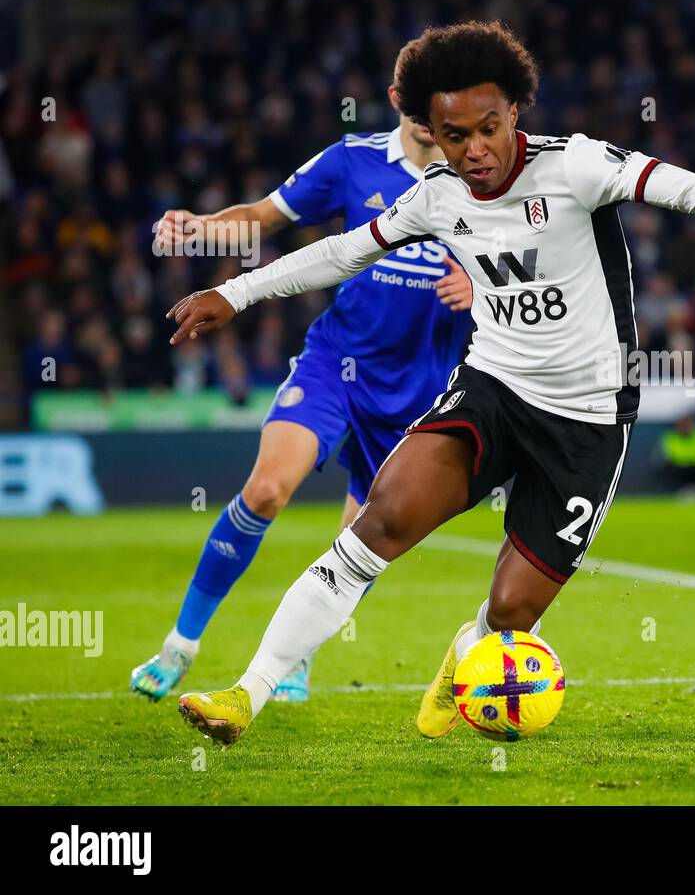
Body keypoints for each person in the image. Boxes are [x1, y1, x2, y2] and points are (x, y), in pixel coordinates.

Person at [162, 20, 695, 745]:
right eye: (453, 135)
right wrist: (237, 293)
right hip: (493, 388)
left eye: (488, 127)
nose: (474, 149)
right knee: (376, 523)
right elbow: (341, 253)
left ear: (516, 112)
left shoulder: (574, 167)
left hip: (589, 417)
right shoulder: (436, 195)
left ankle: (465, 658)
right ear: (428, 131)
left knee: (511, 617)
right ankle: (246, 694)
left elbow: (676, 184)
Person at [129, 62, 474, 704]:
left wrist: (482, 286)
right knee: (264, 490)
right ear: (399, 97)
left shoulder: (480, 177)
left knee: (361, 540)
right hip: (336, 363)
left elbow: (536, 263)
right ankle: (180, 646)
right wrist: (204, 229)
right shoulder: (352, 160)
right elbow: (266, 216)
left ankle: (295, 658)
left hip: (419, 390)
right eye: (423, 98)